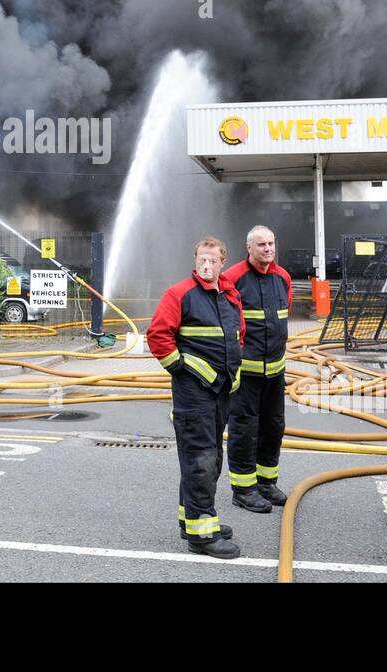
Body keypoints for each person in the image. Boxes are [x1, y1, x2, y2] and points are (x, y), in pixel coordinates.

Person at [147, 236, 245, 559]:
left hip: (220, 394)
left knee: (209, 459)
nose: (207, 265)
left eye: (213, 260)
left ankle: (189, 519)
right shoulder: (179, 294)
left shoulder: (229, 296)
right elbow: (158, 336)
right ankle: (202, 536)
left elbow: (238, 335)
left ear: (222, 263)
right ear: (195, 260)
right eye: (202, 259)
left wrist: (234, 372)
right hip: (194, 396)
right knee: (201, 461)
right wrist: (183, 369)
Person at [223, 225, 292, 512]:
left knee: (273, 427)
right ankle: (243, 488)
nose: (267, 249)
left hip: (275, 372)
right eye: (261, 244)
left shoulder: (283, 277)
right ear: (249, 247)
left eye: (271, 243)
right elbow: (225, 323)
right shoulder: (234, 277)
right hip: (245, 374)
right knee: (244, 429)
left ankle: (266, 482)